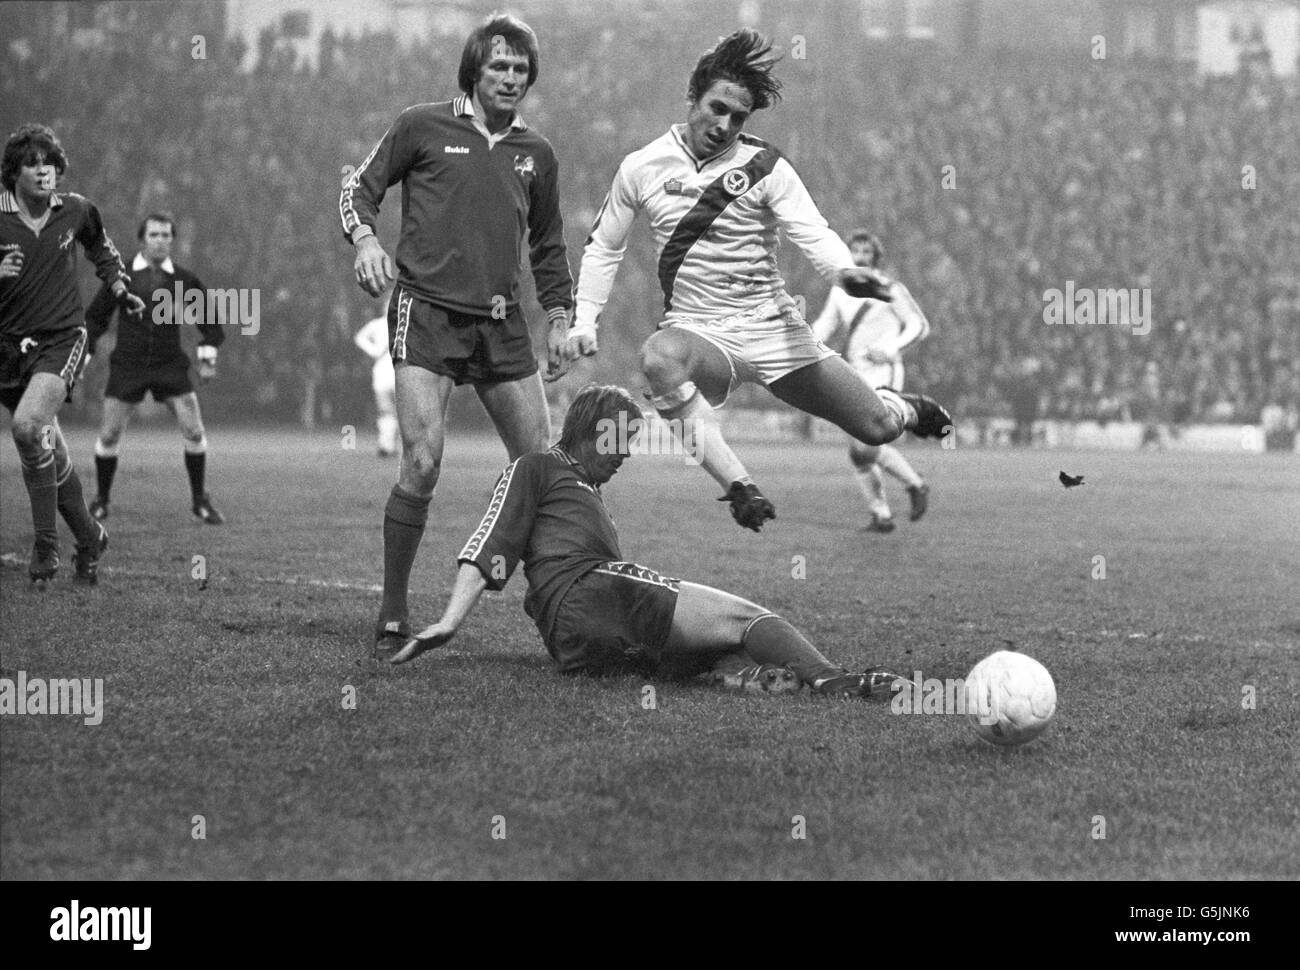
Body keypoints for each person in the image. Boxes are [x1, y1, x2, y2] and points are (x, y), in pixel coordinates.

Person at [557, 30, 952, 533]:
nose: (724, 126)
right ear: (691, 99)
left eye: (737, 118)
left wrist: (844, 272)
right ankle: (738, 485)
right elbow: (605, 246)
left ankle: (906, 408)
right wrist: (584, 320)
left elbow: (813, 232)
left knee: (876, 428)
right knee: (658, 357)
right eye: (716, 108)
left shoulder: (766, 165)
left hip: (773, 328)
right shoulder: (640, 167)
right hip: (699, 331)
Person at [390, 384, 903, 698]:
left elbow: (498, 551)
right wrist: (450, 622)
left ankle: (744, 677)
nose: (624, 455)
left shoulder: (579, 488)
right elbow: (490, 544)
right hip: (587, 595)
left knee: (710, 650)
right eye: (619, 441)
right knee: (747, 618)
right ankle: (836, 681)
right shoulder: (538, 467)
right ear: (591, 430)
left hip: (583, 644)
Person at [339, 13, 575, 655]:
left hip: (503, 325)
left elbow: (550, 246)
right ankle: (393, 609)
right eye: (499, 65)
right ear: (474, 68)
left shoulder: (537, 153)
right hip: (428, 313)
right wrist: (365, 239)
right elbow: (357, 189)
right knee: (422, 461)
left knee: (541, 469)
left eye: (521, 68)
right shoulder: (422, 124)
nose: (511, 77)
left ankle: (556, 601)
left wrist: (559, 318)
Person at [0, 123, 139, 586]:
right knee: (47, 448)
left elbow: (101, 248)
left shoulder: (76, 210)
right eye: (32, 164)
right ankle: (89, 536)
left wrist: (120, 287)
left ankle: (45, 545)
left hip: (62, 337)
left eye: (49, 163)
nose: (43, 172)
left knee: (27, 427)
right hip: (8, 348)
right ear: (13, 173)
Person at [83, 212, 226, 524]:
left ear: (172, 240)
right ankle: (101, 500)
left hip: (169, 363)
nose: (161, 241)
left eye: (166, 236)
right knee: (108, 435)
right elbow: (95, 319)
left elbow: (212, 326)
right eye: (154, 235)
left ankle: (200, 500)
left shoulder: (184, 280)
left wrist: (207, 359)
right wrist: (84, 356)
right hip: (129, 364)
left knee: (194, 429)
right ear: (142, 240)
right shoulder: (121, 277)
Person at [811, 231, 932, 532]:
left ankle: (911, 488)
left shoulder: (889, 288)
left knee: (867, 444)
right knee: (858, 450)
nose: (860, 256)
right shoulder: (840, 292)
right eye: (855, 250)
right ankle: (884, 513)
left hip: (884, 372)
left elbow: (919, 325)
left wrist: (891, 349)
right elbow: (825, 325)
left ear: (875, 256)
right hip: (855, 373)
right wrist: (803, 346)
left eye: (866, 251)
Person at [353, 302, 398, 457]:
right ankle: (388, 445)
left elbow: (359, 338)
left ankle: (387, 445)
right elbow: (359, 338)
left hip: (393, 373)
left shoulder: (383, 325)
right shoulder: (383, 325)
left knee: (388, 411)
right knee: (391, 410)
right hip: (390, 373)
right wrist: (375, 351)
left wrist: (373, 351)